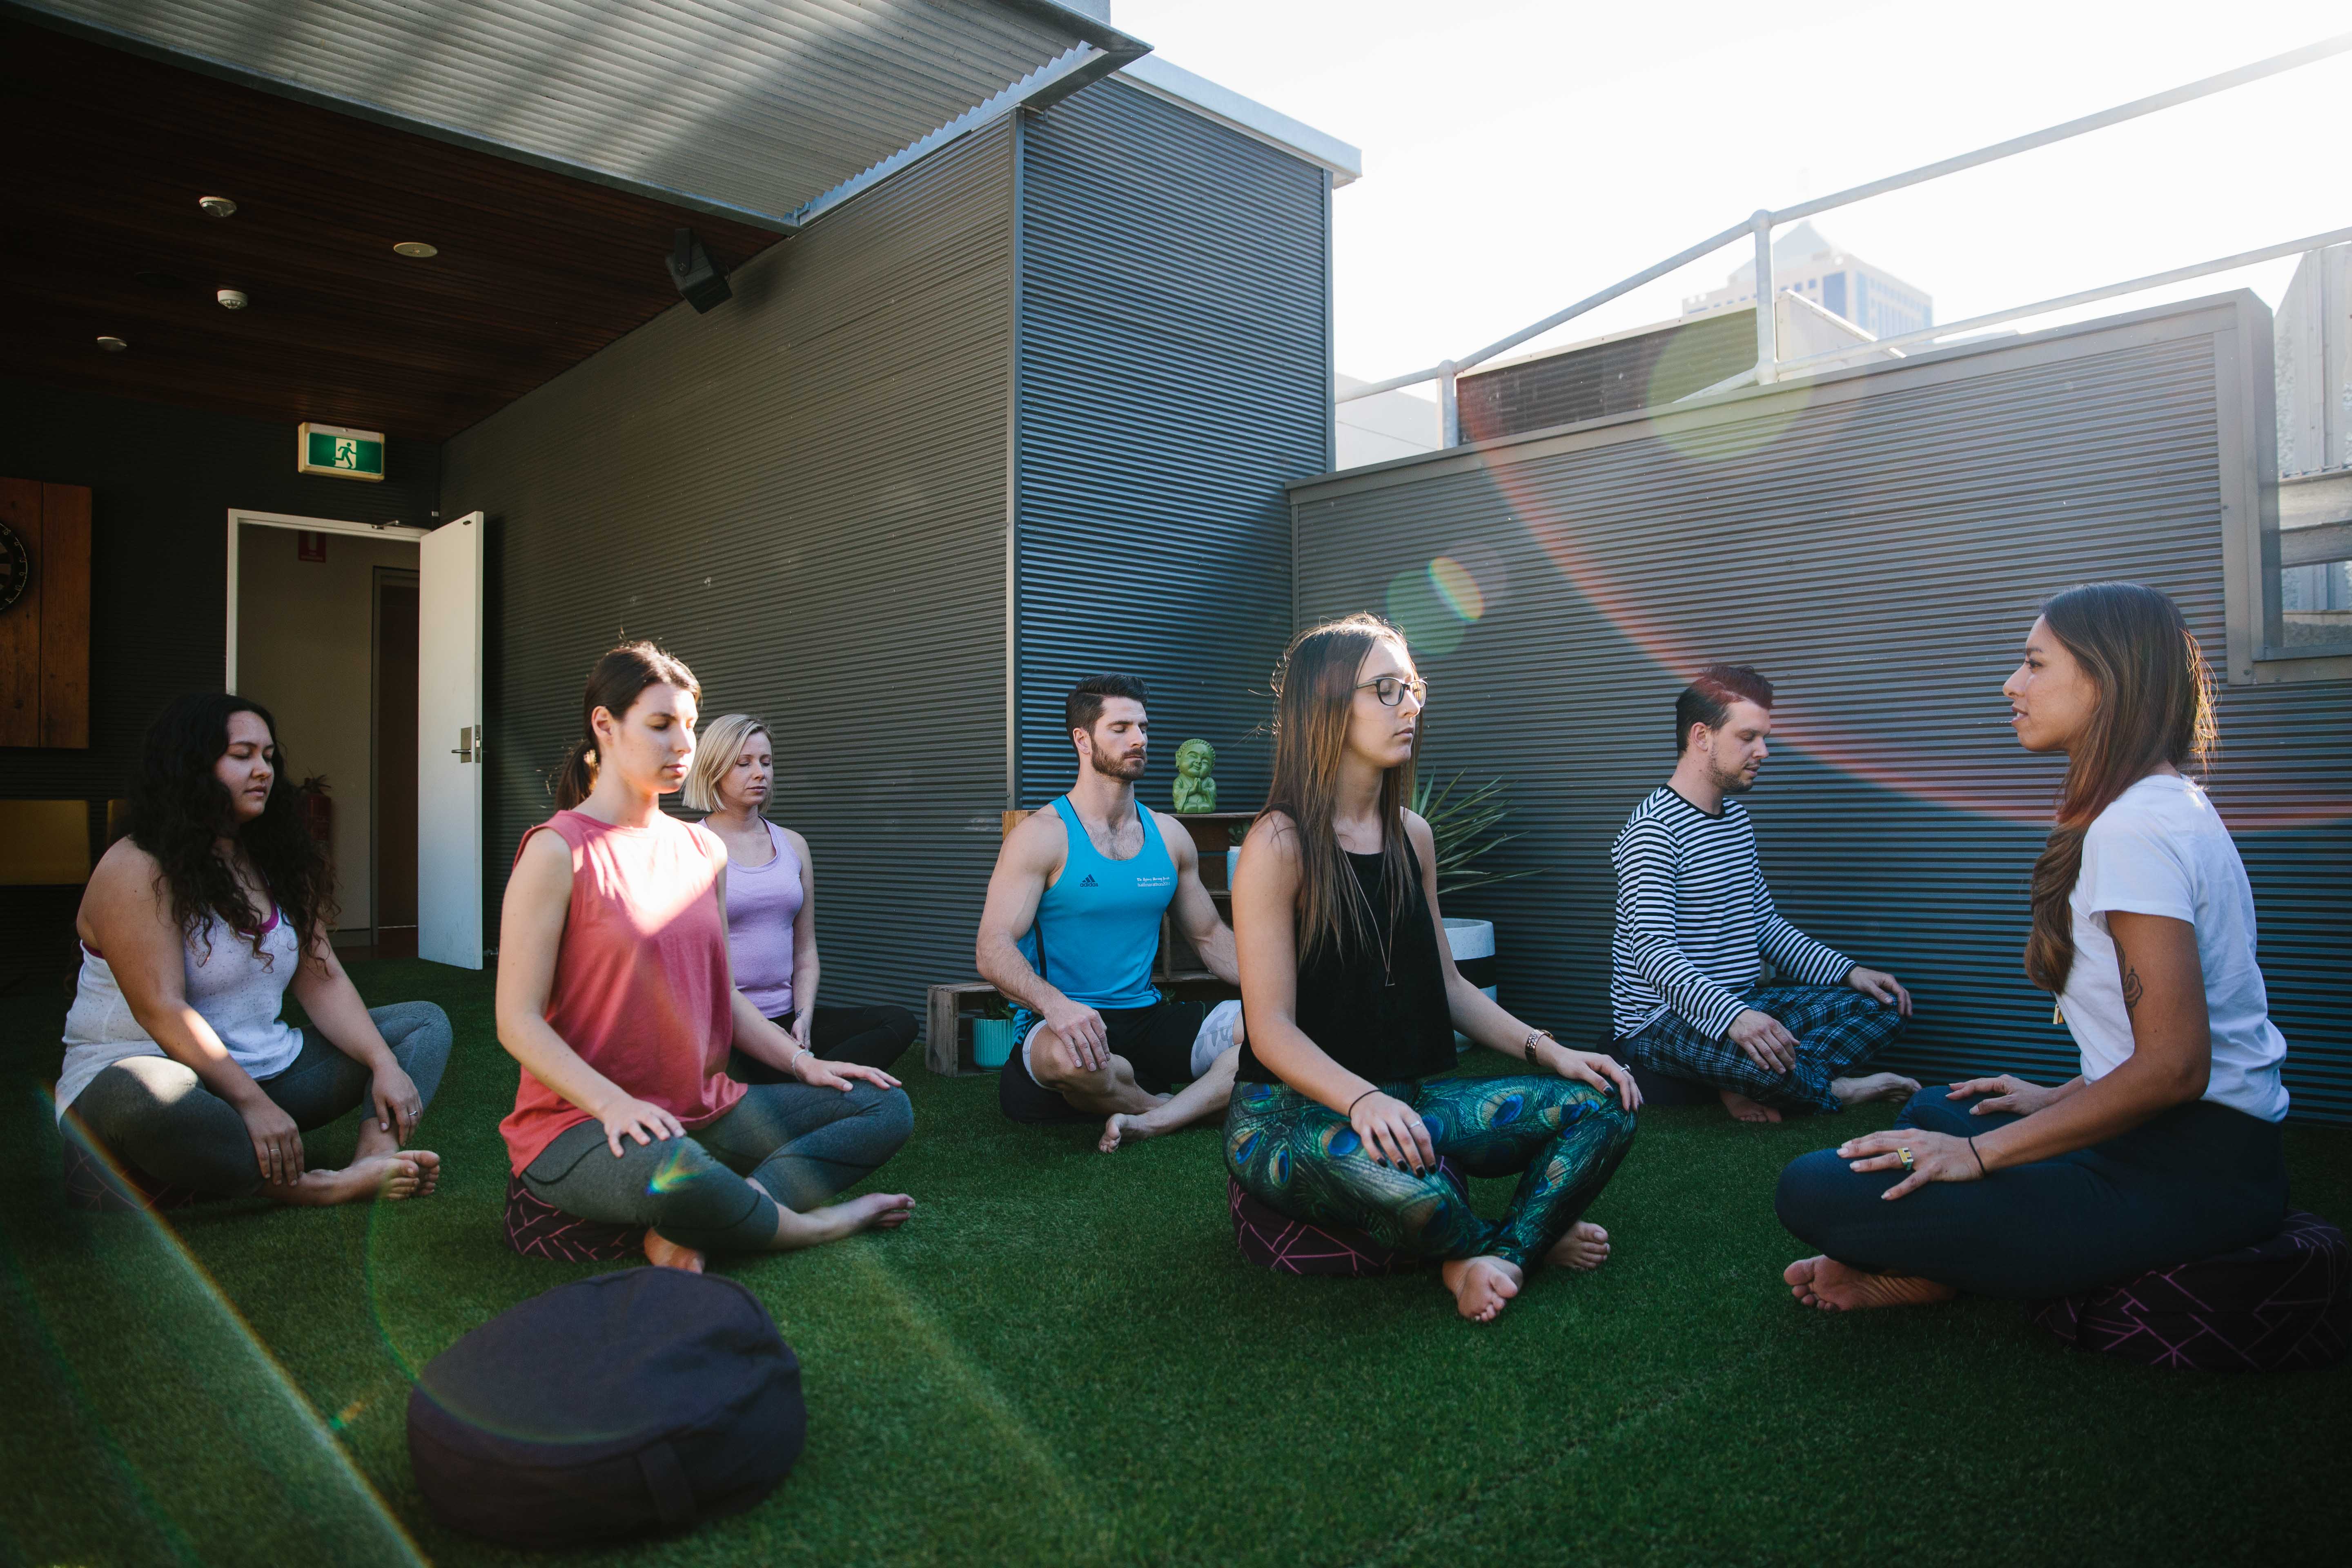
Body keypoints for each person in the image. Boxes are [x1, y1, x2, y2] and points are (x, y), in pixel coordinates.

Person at [1777, 583, 2291, 1311]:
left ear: (2105, 679)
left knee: (1813, 1187)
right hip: (2185, 1142)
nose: (2012, 684)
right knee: (1934, 1109)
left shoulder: (2135, 829)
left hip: (2190, 1173)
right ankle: (1938, 1260)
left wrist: (1978, 1155)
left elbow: (2177, 1066)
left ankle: (1934, 1264)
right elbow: (2159, 1041)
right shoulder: (2160, 803)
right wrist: (2055, 1097)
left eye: (2036, 664)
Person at [1227, 615, 1641, 1323]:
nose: (1411, 706)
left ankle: (1501, 1255)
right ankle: (1506, 1242)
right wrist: (1362, 1100)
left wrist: (1554, 1052)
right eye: (1386, 690)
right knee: (1412, 1192)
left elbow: (1448, 987)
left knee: (1607, 1107)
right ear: (1326, 706)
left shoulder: (1412, 836)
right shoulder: (1279, 843)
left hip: (1409, 1100)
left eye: (1413, 687)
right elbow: (1269, 1029)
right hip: (1287, 1116)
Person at [496, 642, 914, 1273]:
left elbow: (723, 995)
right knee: (679, 1169)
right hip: (582, 1126)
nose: (683, 744)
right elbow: (517, 1022)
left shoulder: (702, 851)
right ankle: (811, 1225)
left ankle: (723, 1218)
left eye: (690, 725)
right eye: (661, 725)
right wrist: (613, 1104)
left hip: (704, 1108)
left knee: (882, 1104)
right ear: (605, 726)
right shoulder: (557, 851)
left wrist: (803, 1063)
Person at [58, 694, 448, 1204]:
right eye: (242, 755)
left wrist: (383, 1064)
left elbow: (324, 979)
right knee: (143, 1091)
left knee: (423, 1025)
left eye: (268, 756)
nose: (263, 770)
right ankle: (313, 1187)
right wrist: (251, 1104)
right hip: (150, 1082)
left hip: (267, 1074)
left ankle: (373, 1160)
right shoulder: (136, 866)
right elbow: (160, 1007)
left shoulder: (274, 860)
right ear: (190, 766)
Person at [1609, 663, 1918, 1123]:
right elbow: (1653, 953)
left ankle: (1764, 1081)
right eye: (1748, 737)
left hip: (1742, 999)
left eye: (1764, 737)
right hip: (1661, 1021)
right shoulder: (1653, 832)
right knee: (1759, 1064)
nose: (1764, 752)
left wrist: (1850, 972)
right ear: (1702, 737)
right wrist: (1733, 1019)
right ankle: (1837, 1089)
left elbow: (1765, 926)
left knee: (1885, 1006)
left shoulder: (1736, 822)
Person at [976, 674, 1247, 1151]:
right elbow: (992, 947)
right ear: (1083, 739)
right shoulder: (1042, 836)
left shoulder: (1169, 836)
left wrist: (1282, 992)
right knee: (1073, 1060)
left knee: (1274, 1025)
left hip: (1146, 1021)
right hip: (1061, 1025)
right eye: (1121, 728)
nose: (1139, 739)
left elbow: (1209, 937)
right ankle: (1164, 1106)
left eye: (1143, 727)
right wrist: (1057, 1006)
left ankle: (1152, 1117)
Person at [685, 713, 919, 1074]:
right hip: (728, 1026)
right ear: (714, 769)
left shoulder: (794, 845)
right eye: (744, 764)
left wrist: (803, 1016)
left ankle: (806, 1073)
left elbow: (805, 949)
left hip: (786, 1017)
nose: (760, 773)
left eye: (766, 762)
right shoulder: (690, 846)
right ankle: (811, 1075)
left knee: (899, 1021)